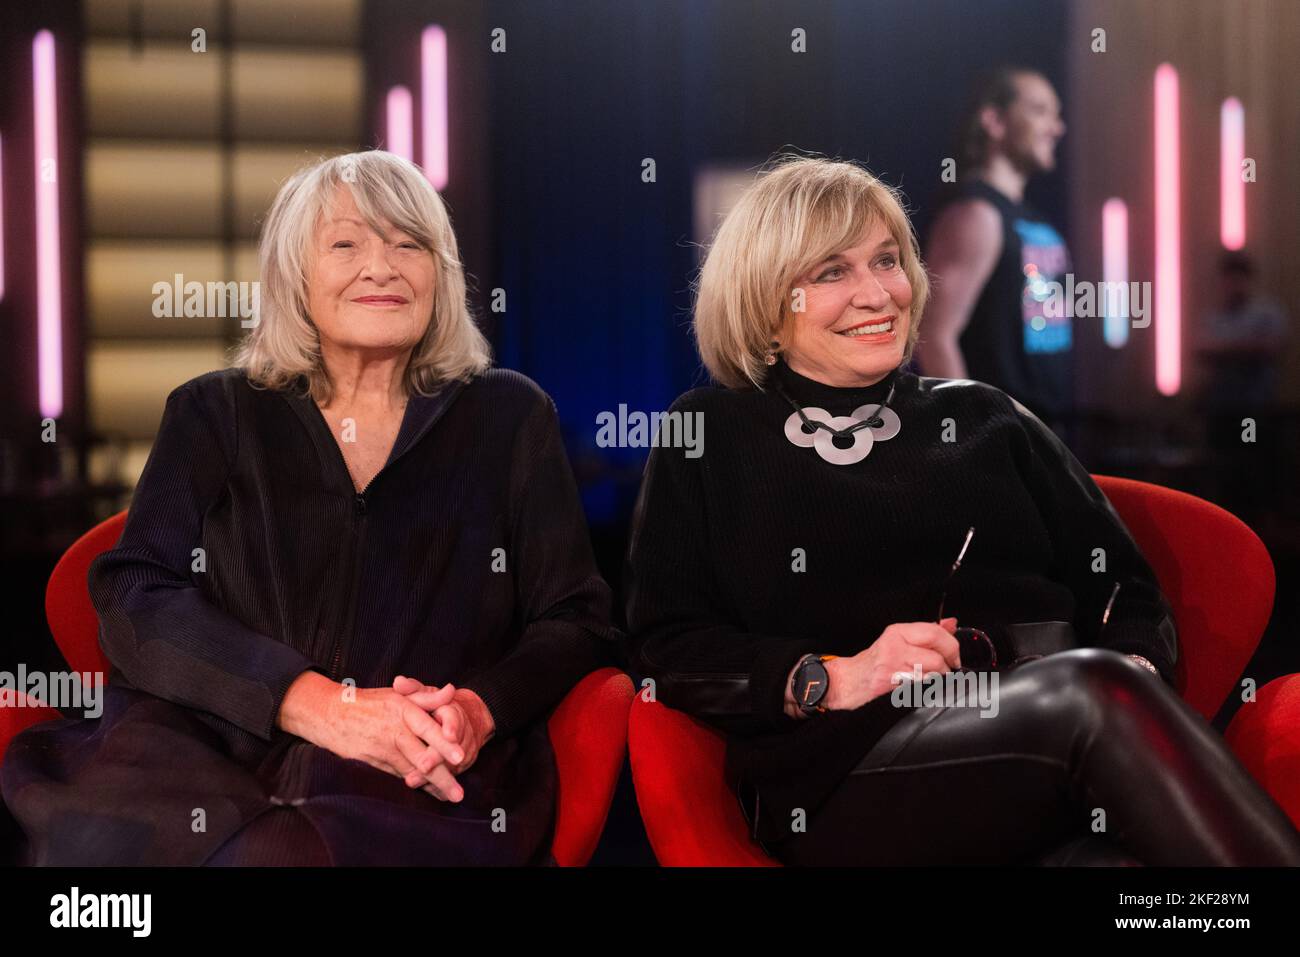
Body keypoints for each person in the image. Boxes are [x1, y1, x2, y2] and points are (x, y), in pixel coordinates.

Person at [624, 153, 1300, 866]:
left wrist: (1133, 685)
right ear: (764, 299)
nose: (878, 293)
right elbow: (663, 643)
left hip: (1056, 753)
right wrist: (828, 676)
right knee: (1094, 692)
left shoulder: (987, 416)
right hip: (847, 779)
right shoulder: (710, 434)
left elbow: (1125, 590)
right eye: (831, 272)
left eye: (887, 260)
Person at [1, 150, 620, 865]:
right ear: (295, 277)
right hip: (206, 741)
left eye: (408, 243)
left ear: (440, 275)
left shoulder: (511, 415)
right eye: (347, 243)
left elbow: (577, 618)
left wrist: (479, 709)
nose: (381, 266)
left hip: (417, 761)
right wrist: (314, 702)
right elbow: (133, 593)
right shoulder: (213, 411)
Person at [915, 67, 1076, 445]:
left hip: (1046, 431)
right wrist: (972, 434)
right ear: (995, 121)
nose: (1056, 128)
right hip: (999, 437)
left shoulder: (1029, 217)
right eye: (1039, 111)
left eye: (1057, 114)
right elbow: (933, 334)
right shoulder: (977, 214)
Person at [1194, 251, 1291, 521]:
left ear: (1247, 279)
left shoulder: (1267, 312)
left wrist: (1227, 351)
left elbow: (1271, 348)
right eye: (1228, 278)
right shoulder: (1215, 316)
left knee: (1253, 465)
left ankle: (1258, 524)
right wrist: (1243, 348)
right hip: (1223, 410)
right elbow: (1202, 349)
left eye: (1237, 278)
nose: (1233, 284)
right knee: (1224, 470)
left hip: (1253, 410)